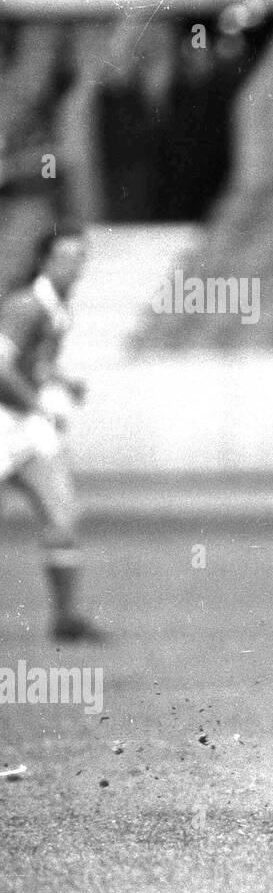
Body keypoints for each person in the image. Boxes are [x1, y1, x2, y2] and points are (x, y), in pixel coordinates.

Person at [0, 226, 107, 642]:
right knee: (60, 512)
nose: (75, 266)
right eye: (66, 257)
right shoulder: (26, 305)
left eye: (80, 257)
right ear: (45, 261)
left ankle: (66, 619)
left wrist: (62, 382)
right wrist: (40, 405)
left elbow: (34, 364)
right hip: (8, 418)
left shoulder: (57, 308)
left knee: (62, 515)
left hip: (25, 424)